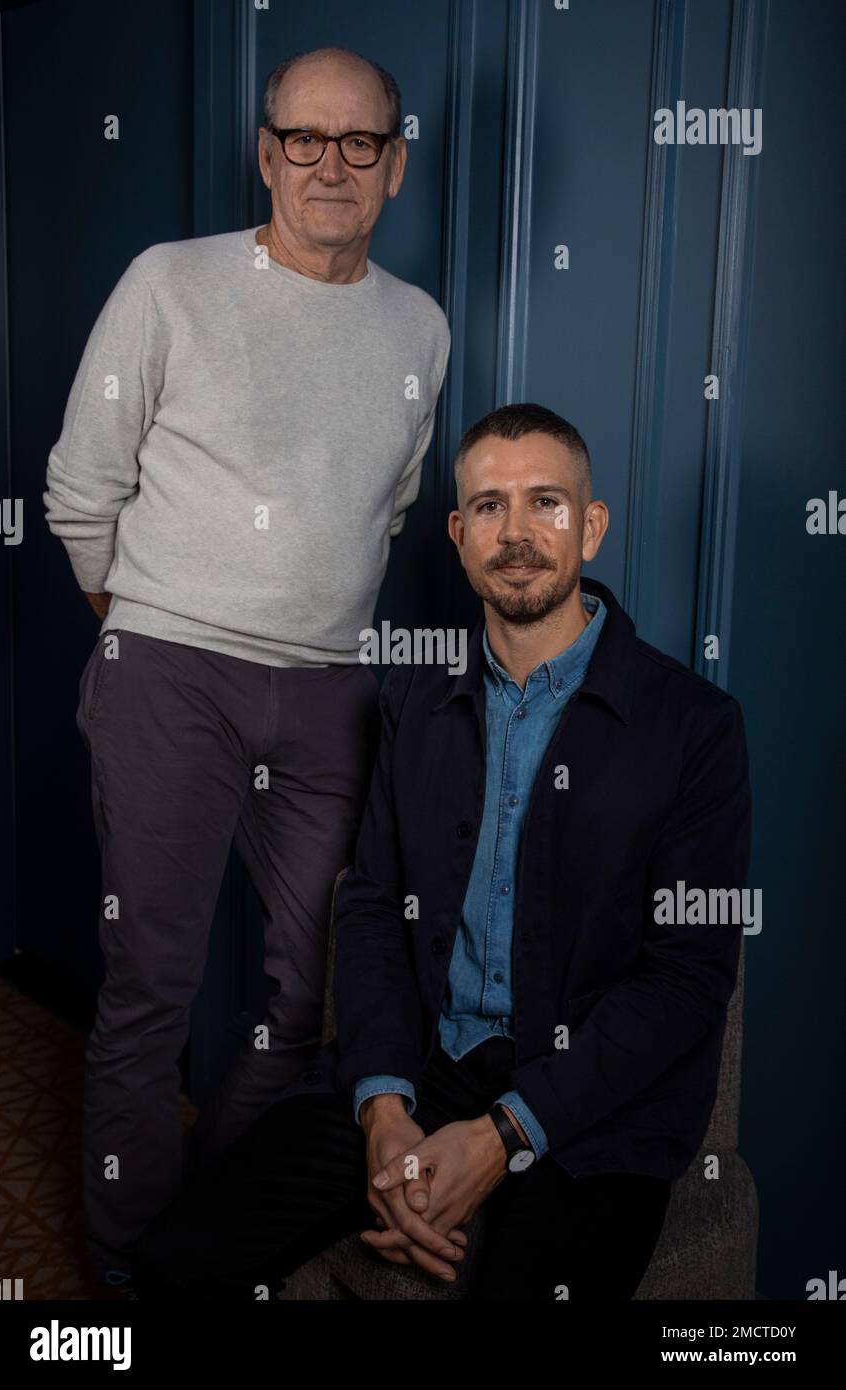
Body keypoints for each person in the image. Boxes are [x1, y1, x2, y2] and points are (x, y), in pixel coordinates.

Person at [131, 403, 752, 1301]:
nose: (519, 533)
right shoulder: (416, 702)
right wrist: (383, 1106)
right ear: (459, 537)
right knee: (173, 1263)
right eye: (490, 508)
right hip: (420, 1063)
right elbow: (376, 902)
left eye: (546, 501)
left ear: (593, 525)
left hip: (590, 1108)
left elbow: (686, 981)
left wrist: (503, 1134)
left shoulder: (694, 726)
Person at [42, 46, 450, 1288]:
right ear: (266, 153)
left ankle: (205, 1245)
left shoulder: (418, 325)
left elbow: (385, 509)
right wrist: (152, 623)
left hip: (331, 691)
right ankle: (128, 1276)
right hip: (170, 667)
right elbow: (80, 490)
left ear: (392, 164)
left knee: (316, 991)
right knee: (150, 985)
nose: (331, 165)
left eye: (359, 142)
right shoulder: (169, 284)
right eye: (305, 140)